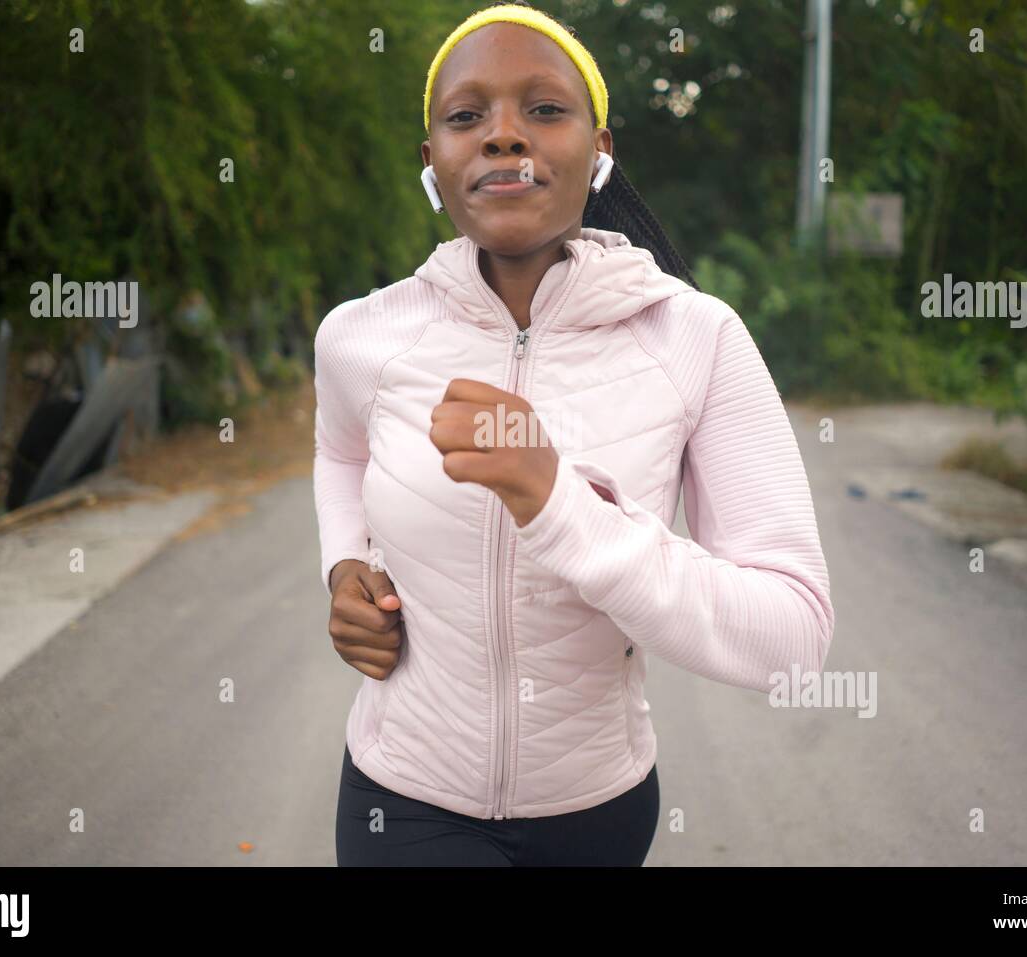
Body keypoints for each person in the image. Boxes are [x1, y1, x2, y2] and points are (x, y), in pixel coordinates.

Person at [314, 1, 834, 867]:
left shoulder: (695, 337)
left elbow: (793, 637)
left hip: (599, 812)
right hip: (401, 798)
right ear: (432, 162)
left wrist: (560, 504)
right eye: (466, 116)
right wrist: (344, 566)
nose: (503, 135)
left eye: (545, 109)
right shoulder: (361, 336)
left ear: (600, 151)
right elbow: (339, 453)